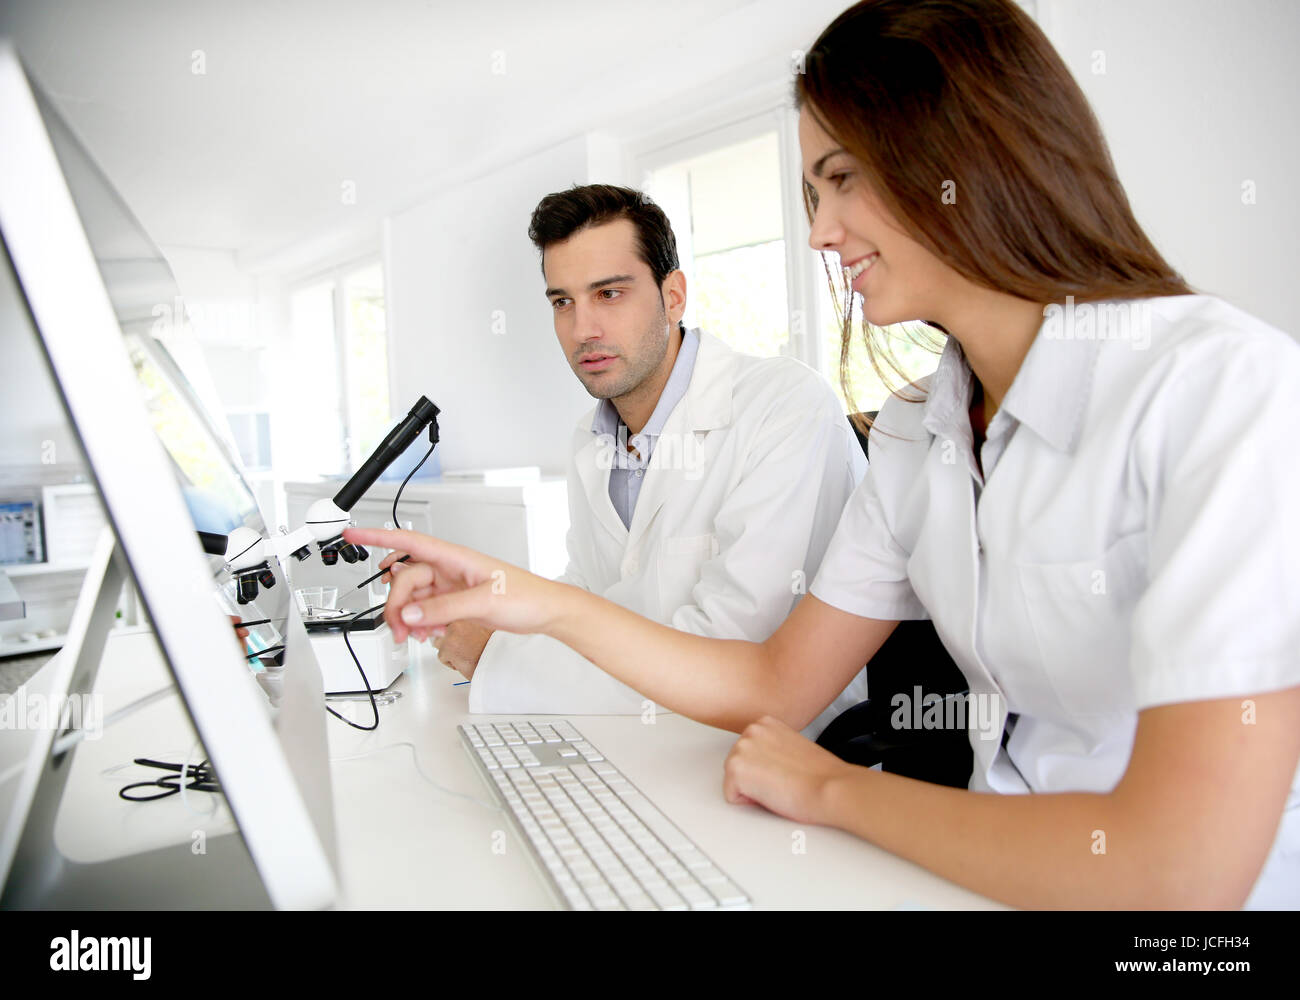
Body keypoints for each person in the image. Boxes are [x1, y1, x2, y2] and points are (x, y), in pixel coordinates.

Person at [349, 0, 1300, 908]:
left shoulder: (1221, 392)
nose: (818, 231)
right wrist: (530, 601)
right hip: (994, 874)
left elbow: (1182, 873)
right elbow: (769, 679)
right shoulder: (919, 428)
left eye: (842, 178)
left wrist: (832, 791)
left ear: (966, 155)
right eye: (811, 192)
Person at [382, 184, 866, 734]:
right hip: (636, 739)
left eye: (609, 294)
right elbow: (587, 597)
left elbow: (732, 651)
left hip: (774, 757)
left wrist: (498, 658)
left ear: (674, 295)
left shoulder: (783, 407)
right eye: (562, 301)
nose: (583, 329)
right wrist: (482, 606)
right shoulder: (590, 440)